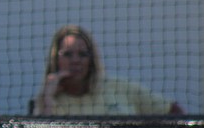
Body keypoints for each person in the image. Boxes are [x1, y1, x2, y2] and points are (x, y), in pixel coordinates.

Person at [31, 24, 185, 115]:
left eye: (83, 54)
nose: (76, 60)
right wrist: (47, 98)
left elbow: (173, 112)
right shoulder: (49, 100)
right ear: (55, 59)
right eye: (68, 54)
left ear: (91, 60)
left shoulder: (119, 87)